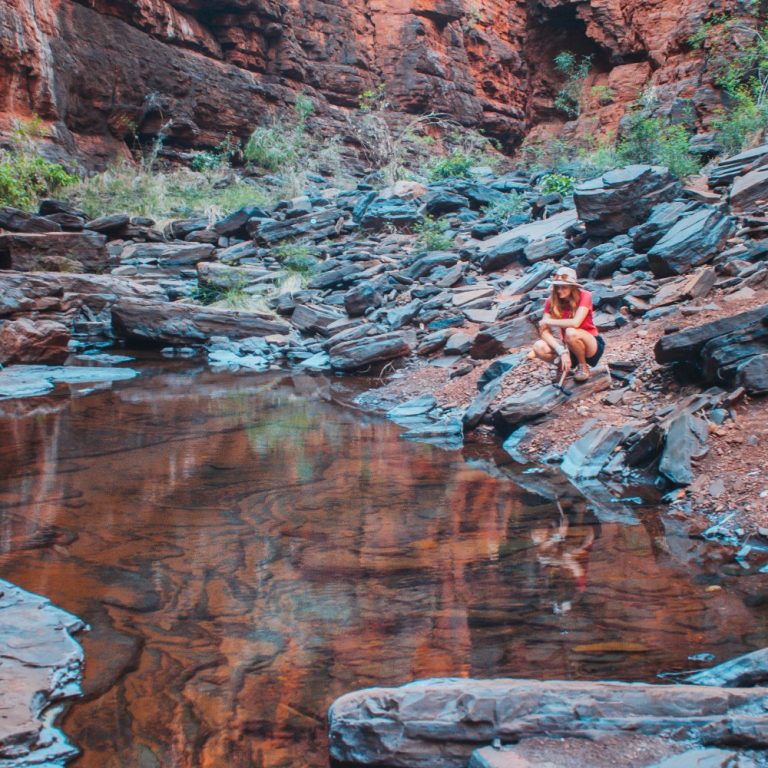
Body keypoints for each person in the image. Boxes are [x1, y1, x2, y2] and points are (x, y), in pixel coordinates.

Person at [530, 266, 605, 382]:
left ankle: (583, 366)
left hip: (590, 345)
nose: (559, 290)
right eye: (557, 287)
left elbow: (575, 323)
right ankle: (564, 367)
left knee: (570, 332)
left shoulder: (585, 295)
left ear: (572, 287)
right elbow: (543, 331)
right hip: (568, 345)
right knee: (538, 346)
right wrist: (561, 351)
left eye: (564, 287)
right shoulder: (551, 301)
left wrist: (548, 321)